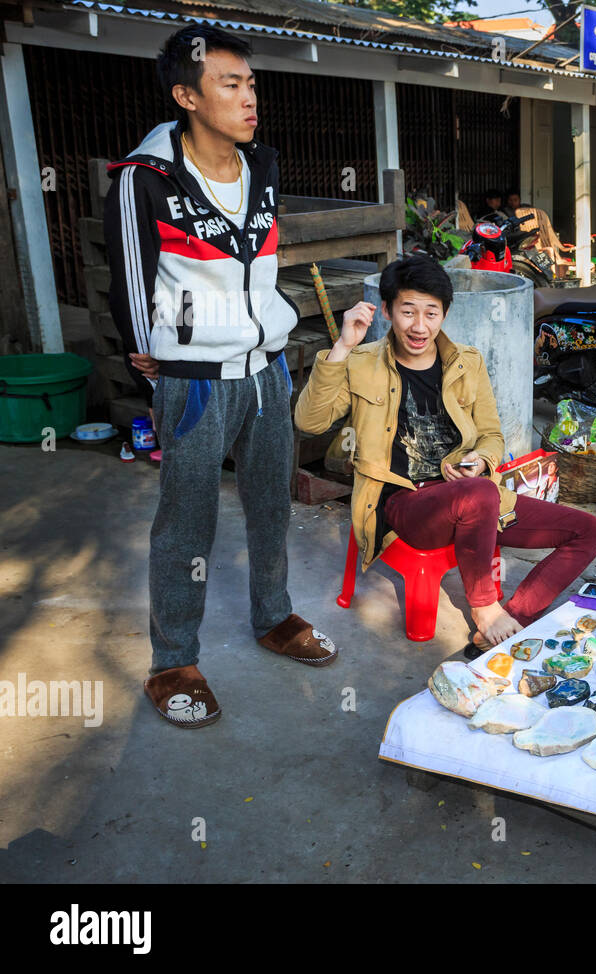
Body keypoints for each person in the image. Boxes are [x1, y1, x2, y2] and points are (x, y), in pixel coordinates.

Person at [105, 25, 338, 729]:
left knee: (272, 506)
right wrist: (159, 360)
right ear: (187, 96)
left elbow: (261, 267)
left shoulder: (262, 165)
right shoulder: (145, 179)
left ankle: (273, 617)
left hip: (267, 371)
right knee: (186, 524)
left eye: (252, 83)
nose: (249, 97)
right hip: (195, 379)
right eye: (230, 85)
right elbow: (127, 280)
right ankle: (173, 660)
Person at [295, 255, 596, 653]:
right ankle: (485, 610)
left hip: (474, 496)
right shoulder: (360, 362)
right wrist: (341, 346)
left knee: (587, 531)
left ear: (444, 313)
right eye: (407, 312)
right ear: (387, 311)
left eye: (431, 312)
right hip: (405, 504)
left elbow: (492, 435)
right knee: (479, 494)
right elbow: (309, 422)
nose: (419, 326)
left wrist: (481, 460)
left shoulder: (467, 362)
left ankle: (513, 619)